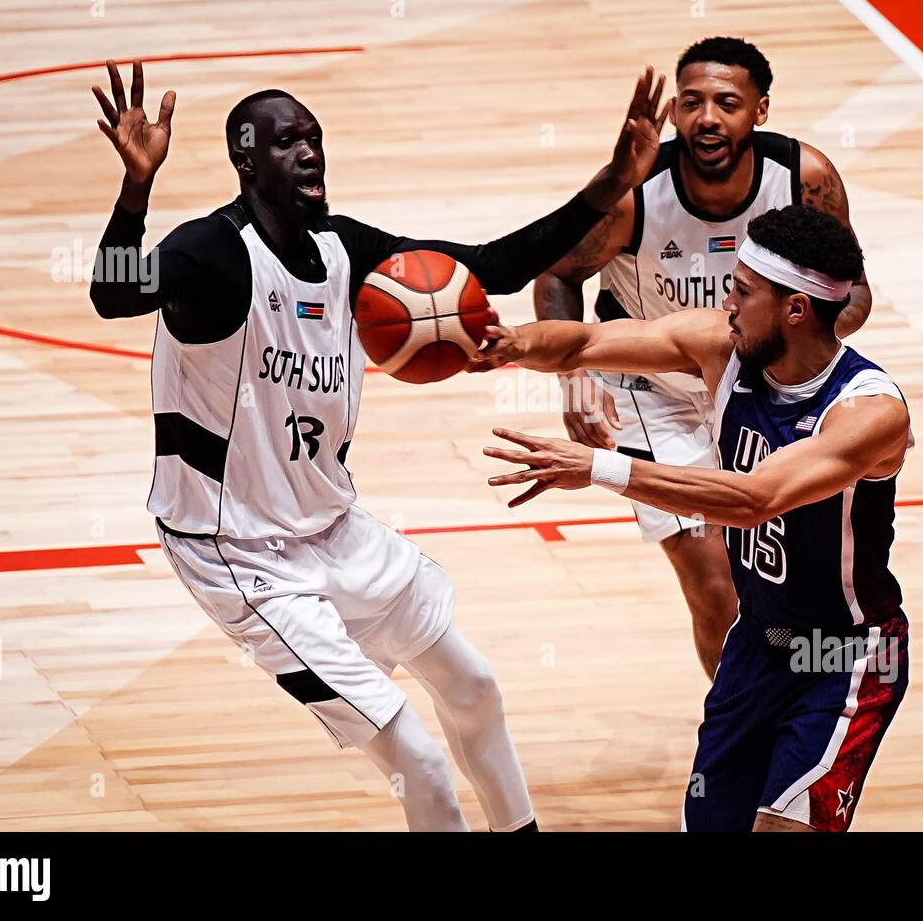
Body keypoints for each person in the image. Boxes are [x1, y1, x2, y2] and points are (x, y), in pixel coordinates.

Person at [88, 59, 670, 831]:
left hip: (332, 528)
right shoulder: (213, 254)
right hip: (239, 553)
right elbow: (112, 295)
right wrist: (136, 189)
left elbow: (488, 265)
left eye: (315, 138)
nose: (309, 153)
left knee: (475, 688)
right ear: (245, 159)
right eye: (287, 141)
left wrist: (607, 184)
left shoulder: (341, 248)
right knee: (419, 763)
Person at [476, 204, 910, 832]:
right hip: (757, 643)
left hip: (843, 654)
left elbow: (754, 498)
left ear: (795, 309)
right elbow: (588, 342)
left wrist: (601, 467)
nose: (726, 303)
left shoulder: (869, 411)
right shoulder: (722, 347)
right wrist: (508, 344)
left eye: (742, 291)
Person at [533, 37, 872, 678]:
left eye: (726, 103)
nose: (707, 118)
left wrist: (806, 352)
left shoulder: (807, 179)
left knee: (779, 575)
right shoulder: (637, 192)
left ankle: (788, 714)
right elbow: (557, 273)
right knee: (713, 576)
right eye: (690, 103)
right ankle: (736, 731)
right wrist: (572, 376)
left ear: (760, 111)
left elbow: (851, 293)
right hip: (652, 389)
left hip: (758, 389)